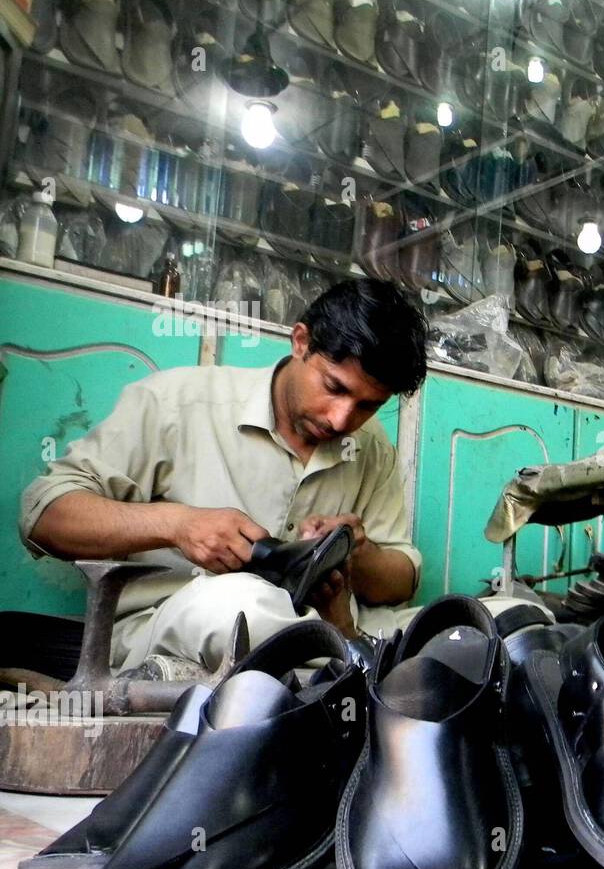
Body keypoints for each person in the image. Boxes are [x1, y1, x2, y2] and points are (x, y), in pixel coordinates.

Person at [18, 278, 429, 673]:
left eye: (367, 406)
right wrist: (178, 525)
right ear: (300, 341)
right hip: (181, 624)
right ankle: (351, 658)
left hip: (329, 627)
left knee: (469, 625)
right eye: (334, 387)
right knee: (243, 606)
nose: (342, 418)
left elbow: (400, 580)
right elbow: (44, 516)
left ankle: (344, 653)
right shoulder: (177, 402)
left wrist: (354, 553)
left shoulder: (370, 446)